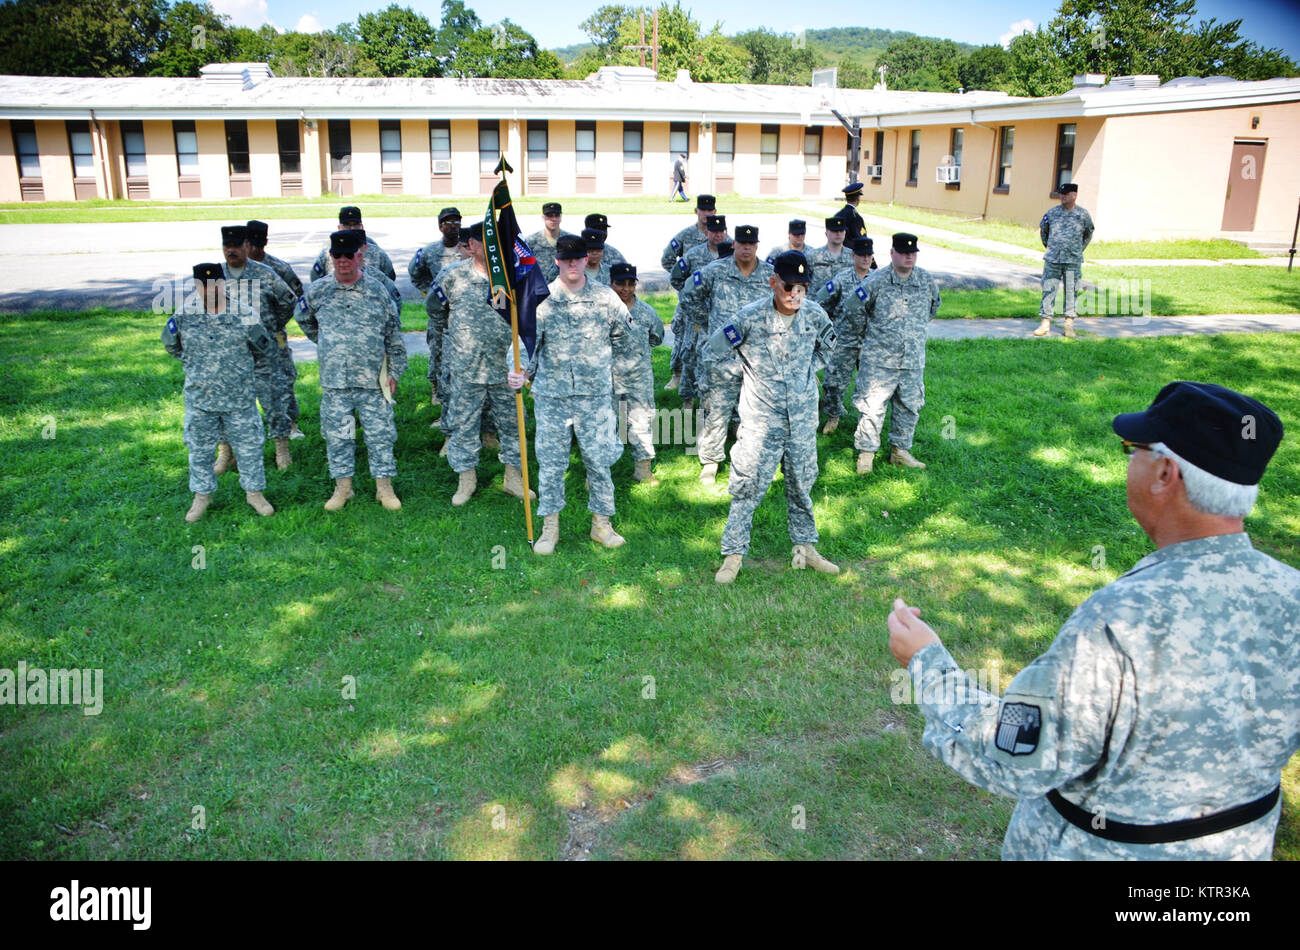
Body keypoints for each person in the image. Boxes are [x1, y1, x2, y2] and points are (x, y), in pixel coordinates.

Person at [886, 381, 1297, 860]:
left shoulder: (1118, 623)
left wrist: (928, 665)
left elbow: (1014, 757)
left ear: (1165, 473)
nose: (1129, 460)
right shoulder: (1292, 594)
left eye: (1133, 449)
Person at [713, 251, 838, 584]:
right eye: (788, 287)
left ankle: (806, 549)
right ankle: (733, 556)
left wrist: (806, 375)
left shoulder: (814, 315)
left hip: (800, 422)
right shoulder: (749, 318)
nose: (795, 294)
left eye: (802, 287)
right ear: (773, 283)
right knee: (747, 488)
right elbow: (715, 351)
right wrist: (743, 377)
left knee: (801, 486)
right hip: (761, 423)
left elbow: (829, 348)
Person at [507, 235, 628, 555]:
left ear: (587, 259)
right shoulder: (541, 300)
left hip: (595, 397)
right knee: (550, 465)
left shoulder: (606, 298)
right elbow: (524, 346)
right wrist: (518, 371)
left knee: (600, 462)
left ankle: (601, 525)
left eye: (578, 258)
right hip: (553, 399)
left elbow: (621, 336)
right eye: (566, 258)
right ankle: (550, 528)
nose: (572, 264)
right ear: (557, 261)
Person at [299, 230, 408, 512]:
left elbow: (393, 334)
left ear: (360, 255)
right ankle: (343, 488)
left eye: (349, 255)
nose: (343, 260)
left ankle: (384, 488)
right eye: (337, 255)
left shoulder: (377, 290)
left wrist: (394, 371)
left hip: (373, 381)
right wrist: (328, 344)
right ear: (331, 256)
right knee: (339, 436)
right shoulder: (319, 291)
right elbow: (306, 321)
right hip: (336, 383)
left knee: (380, 435)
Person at [426, 221, 533, 507]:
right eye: (489, 241)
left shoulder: (515, 276)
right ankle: (467, 481)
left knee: (513, 426)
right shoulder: (452, 276)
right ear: (472, 246)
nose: (497, 247)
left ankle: (514, 478)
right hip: (467, 368)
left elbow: (530, 318)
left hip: (506, 368)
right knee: (463, 425)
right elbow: (435, 311)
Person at [164, 263, 276, 522]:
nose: (209, 289)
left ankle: (254, 494)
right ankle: (201, 497)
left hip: (239, 399)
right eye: (202, 284)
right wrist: (198, 367)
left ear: (223, 284)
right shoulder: (184, 316)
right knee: (200, 450)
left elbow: (262, 348)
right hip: (201, 398)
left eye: (214, 283)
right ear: (196, 286)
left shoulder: (245, 314)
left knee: (249, 449)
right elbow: (172, 346)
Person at [681, 225, 775, 485]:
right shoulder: (716, 271)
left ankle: (751, 459)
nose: (746, 248)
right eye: (742, 243)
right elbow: (689, 294)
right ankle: (710, 461)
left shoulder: (769, 274)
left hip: (756, 356)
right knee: (717, 409)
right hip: (722, 355)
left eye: (751, 243)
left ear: (757, 245)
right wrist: (707, 323)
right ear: (734, 244)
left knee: (755, 412)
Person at [851, 233, 939, 474]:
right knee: (872, 406)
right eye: (903, 252)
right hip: (880, 360)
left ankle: (900, 451)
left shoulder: (925, 281)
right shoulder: (876, 281)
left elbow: (934, 307)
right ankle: (866, 453)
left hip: (912, 359)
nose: (908, 256)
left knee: (909, 405)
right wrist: (867, 338)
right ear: (892, 253)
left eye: (912, 252)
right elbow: (854, 308)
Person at [218, 224, 297, 473]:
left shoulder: (265, 273)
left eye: (236, 247)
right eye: (227, 247)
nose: (231, 251)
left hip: (264, 352)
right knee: (227, 402)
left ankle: (281, 449)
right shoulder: (215, 276)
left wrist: (274, 326)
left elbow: (289, 300)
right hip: (231, 353)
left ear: (246, 246)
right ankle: (226, 452)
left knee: (273, 399)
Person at [244, 220, 306, 441]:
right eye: (251, 244)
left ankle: (290, 424)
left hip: (273, 336)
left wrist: (275, 324)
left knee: (283, 378)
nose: (254, 250)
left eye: (259, 245)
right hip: (241, 338)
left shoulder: (278, 269)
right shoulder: (232, 271)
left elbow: (296, 299)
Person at [609, 262, 665, 485]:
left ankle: (642, 469)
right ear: (611, 283)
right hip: (606, 378)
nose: (625, 289)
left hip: (638, 378)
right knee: (603, 423)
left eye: (630, 284)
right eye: (620, 284)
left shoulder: (646, 312)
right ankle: (598, 472)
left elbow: (657, 337)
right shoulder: (602, 311)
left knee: (641, 421)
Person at [815, 236, 877, 434]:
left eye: (869, 255)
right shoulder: (841, 279)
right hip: (844, 339)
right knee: (834, 382)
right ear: (853, 256)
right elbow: (821, 301)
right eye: (862, 255)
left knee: (872, 385)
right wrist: (829, 326)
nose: (866, 259)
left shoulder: (878, 279)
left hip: (870, 341)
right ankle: (833, 416)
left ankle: (867, 421)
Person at [663, 195, 718, 392]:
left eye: (710, 210)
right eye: (703, 210)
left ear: (715, 212)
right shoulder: (685, 236)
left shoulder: (724, 239)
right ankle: (677, 375)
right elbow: (668, 259)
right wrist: (685, 288)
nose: (706, 214)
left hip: (716, 304)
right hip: (689, 303)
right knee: (682, 339)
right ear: (696, 211)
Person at [1034, 183, 1094, 339]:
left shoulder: (1083, 215)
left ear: (1074, 195)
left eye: (1066, 194)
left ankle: (1069, 325)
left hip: (1072, 260)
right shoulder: (1052, 213)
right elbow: (1044, 231)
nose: (1062, 196)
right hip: (1053, 259)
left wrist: (1077, 250)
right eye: (1061, 194)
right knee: (1049, 290)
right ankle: (1045, 323)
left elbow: (1088, 234)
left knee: (1071, 292)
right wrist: (1051, 247)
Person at [310, 205, 397, 284]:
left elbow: (390, 278)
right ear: (340, 228)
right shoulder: (328, 252)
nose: (352, 228)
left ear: (361, 226)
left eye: (355, 224)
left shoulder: (376, 252)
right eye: (347, 225)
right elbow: (315, 278)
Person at [408, 207, 462, 300]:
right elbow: (415, 275)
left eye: (456, 222)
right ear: (441, 227)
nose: (453, 226)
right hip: (440, 305)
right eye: (448, 223)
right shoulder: (428, 252)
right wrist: (432, 293)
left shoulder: (470, 249)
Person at [524, 202, 572, 282]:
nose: (554, 219)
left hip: (563, 287)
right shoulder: (531, 241)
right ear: (543, 217)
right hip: (540, 287)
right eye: (550, 216)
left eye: (557, 215)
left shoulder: (569, 240)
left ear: (561, 217)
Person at [806, 217, 849, 288]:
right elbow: (802, 282)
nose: (838, 234)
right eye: (834, 231)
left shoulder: (853, 257)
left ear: (845, 233)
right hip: (817, 298)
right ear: (826, 234)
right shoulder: (813, 256)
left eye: (841, 231)